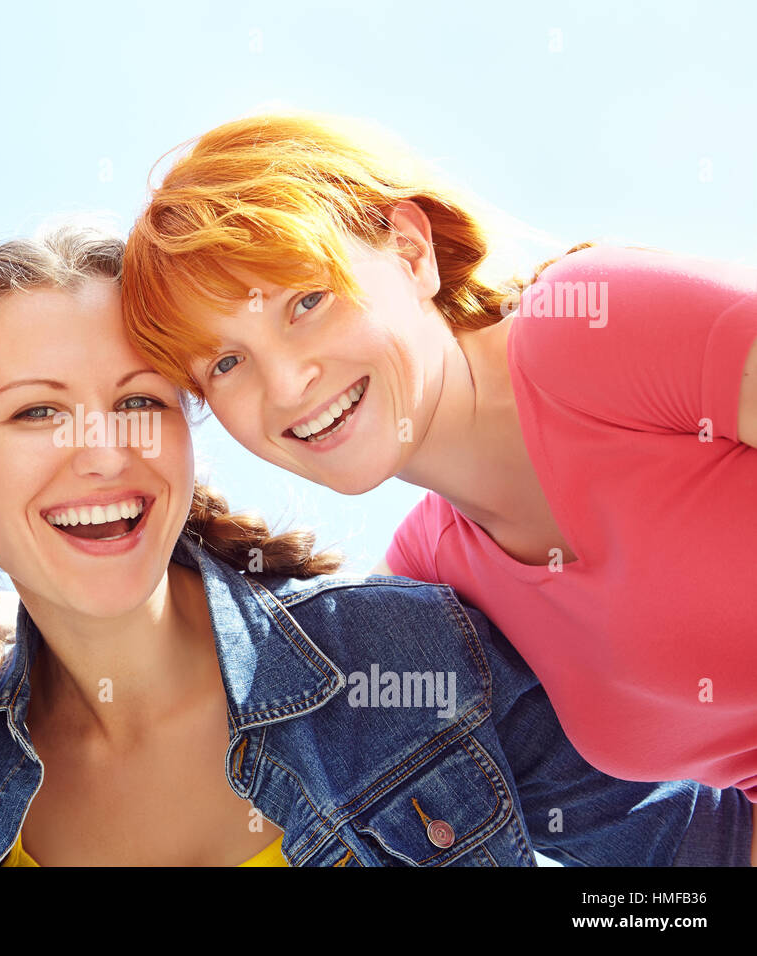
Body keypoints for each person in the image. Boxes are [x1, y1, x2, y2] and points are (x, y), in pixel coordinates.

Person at [0, 225, 753, 866]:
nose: (103, 453)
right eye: (35, 413)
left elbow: (691, 863)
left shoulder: (414, 661)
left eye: (141, 401)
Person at [118, 111, 757, 806]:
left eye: (306, 301)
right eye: (227, 362)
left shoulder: (593, 323)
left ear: (410, 250)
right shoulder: (431, 576)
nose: (285, 384)